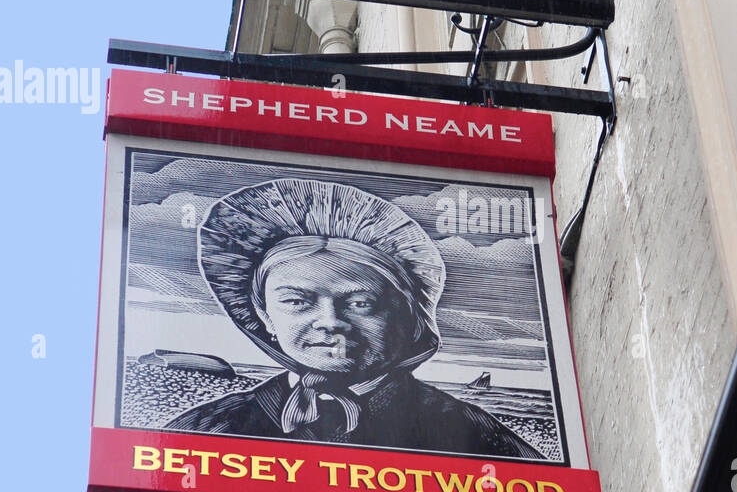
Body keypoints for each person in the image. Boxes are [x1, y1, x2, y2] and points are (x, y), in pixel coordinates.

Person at [164, 178, 542, 460]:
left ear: (406, 319)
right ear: (264, 315)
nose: (330, 321)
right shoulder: (212, 428)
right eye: (298, 301)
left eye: (361, 303)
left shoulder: (471, 434)